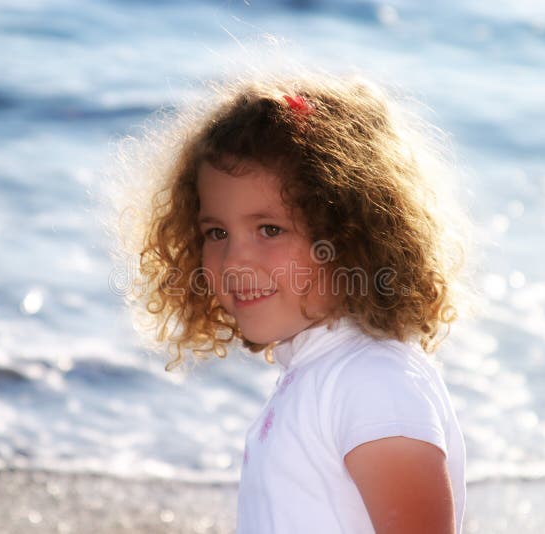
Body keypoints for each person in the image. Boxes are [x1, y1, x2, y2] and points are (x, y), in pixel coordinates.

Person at [117, 71, 475, 533]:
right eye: (217, 232)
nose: (235, 259)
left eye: (270, 229)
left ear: (349, 237)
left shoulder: (372, 380)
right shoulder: (318, 374)